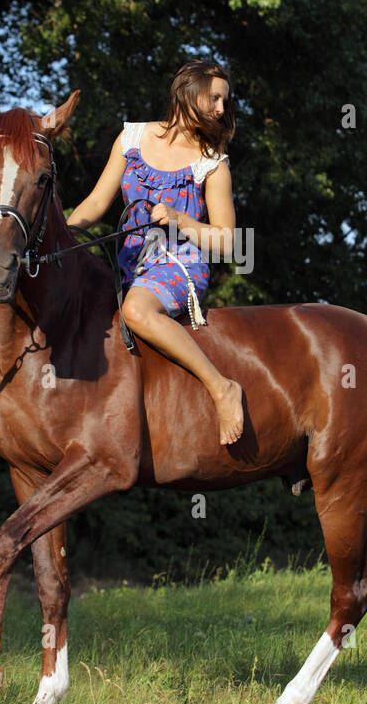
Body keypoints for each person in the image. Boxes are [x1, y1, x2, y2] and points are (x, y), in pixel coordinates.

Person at [68, 62, 244, 445]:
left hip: (179, 264)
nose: (219, 108)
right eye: (214, 97)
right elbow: (97, 202)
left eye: (223, 101)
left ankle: (221, 387)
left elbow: (228, 242)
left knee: (135, 310)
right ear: (187, 91)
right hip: (126, 264)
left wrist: (182, 220)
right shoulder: (132, 139)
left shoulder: (211, 164)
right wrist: (63, 238)